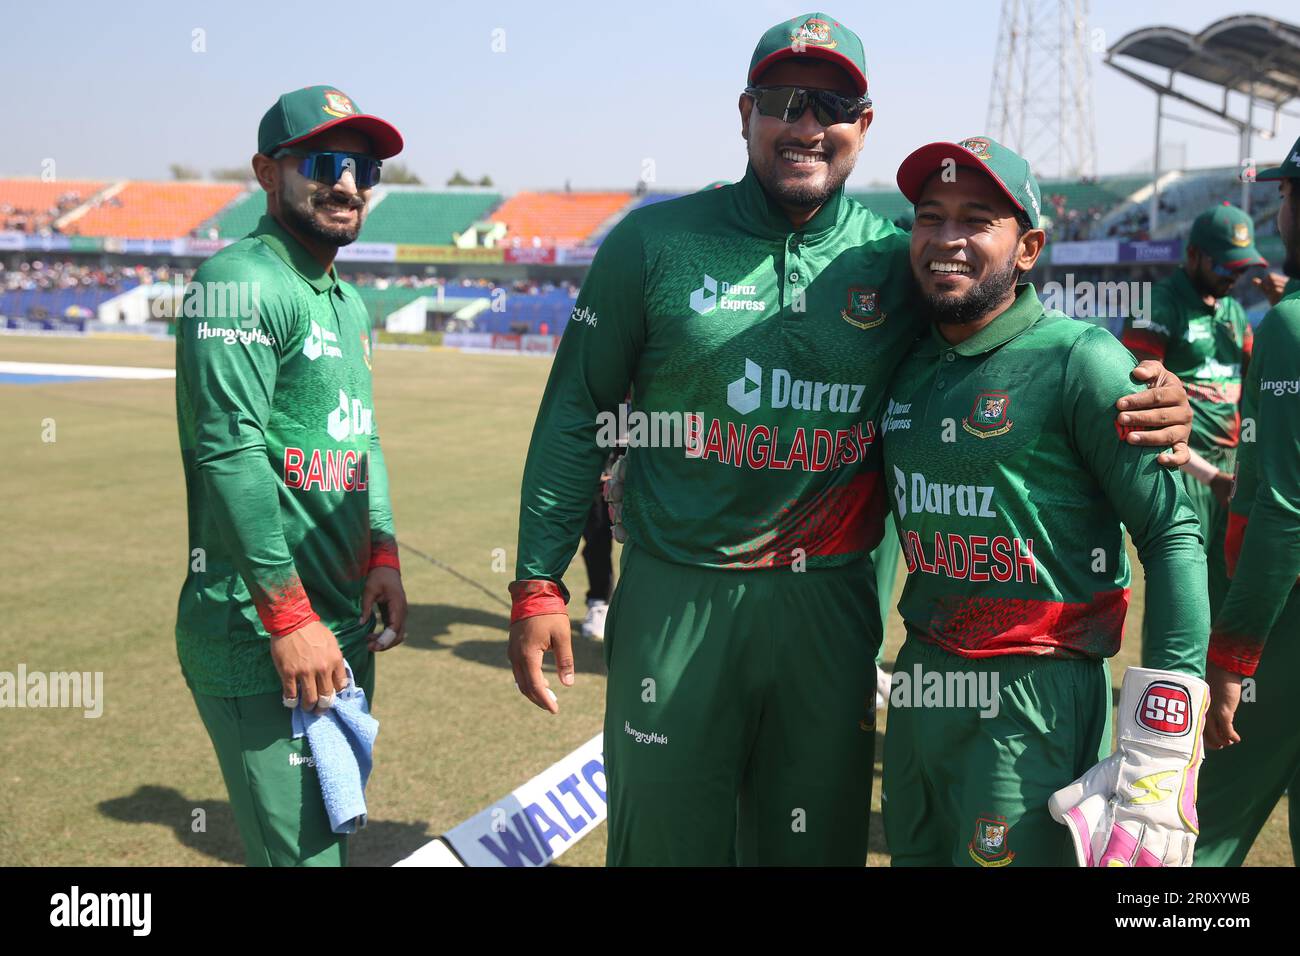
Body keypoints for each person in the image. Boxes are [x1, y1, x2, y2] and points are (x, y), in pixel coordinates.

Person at [508, 13, 1192, 867]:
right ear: (746, 112)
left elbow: (1011, 330)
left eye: (832, 106)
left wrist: (1147, 391)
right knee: (664, 850)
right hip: (676, 594)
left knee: (814, 850)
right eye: (784, 102)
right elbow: (576, 410)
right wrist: (537, 580)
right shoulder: (651, 244)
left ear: (862, 126)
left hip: (828, 608)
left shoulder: (897, 260)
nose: (807, 124)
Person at [880, 136, 1209, 867]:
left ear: (1028, 248)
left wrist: (1163, 742)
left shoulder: (1080, 359)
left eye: (977, 220)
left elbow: (1172, 533)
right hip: (922, 677)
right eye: (931, 217)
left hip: (1036, 688)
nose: (948, 238)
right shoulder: (902, 358)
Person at [174, 85, 408, 866]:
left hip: (340, 626)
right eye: (324, 162)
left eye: (363, 169)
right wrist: (286, 617)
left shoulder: (347, 303)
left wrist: (382, 554)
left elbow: (361, 437)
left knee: (331, 844)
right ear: (267, 173)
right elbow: (229, 454)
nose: (346, 183)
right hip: (262, 631)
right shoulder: (238, 282)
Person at [1196, 135, 1300, 866]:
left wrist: (1232, 657)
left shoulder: (1288, 325)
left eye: (1285, 194)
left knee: (1204, 834)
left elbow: (1287, 513)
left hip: (1285, 623)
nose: (1279, 210)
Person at [1122, 203, 1263, 629]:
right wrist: (1209, 476)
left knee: (1226, 598)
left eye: (1240, 268)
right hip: (1180, 470)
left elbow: (1258, 386)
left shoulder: (1234, 312)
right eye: (1223, 266)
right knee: (1181, 602)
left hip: (1229, 472)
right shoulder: (1157, 305)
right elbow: (1142, 407)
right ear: (1193, 255)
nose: (1232, 277)